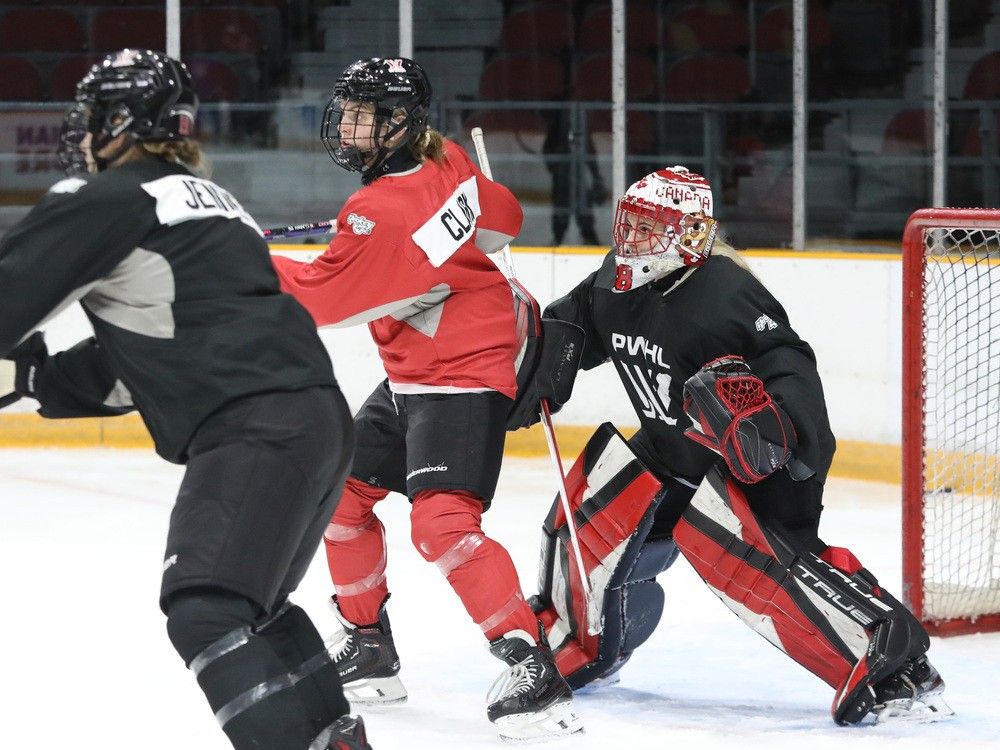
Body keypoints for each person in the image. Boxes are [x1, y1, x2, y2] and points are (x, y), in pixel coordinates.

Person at [0, 49, 371, 750]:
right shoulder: (215, 205)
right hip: (315, 418)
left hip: (258, 426)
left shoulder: (113, 198)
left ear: (120, 120)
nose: (79, 132)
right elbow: (155, 356)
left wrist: (21, 368)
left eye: (90, 116)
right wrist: (38, 381)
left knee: (209, 609)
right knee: (255, 611)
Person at [525, 166, 954, 725]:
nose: (630, 240)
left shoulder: (727, 294)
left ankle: (895, 663)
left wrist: (777, 442)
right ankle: (575, 642)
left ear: (694, 234)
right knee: (583, 523)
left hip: (742, 468)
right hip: (667, 452)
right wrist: (534, 359)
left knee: (761, 569)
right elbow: (572, 325)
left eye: (649, 227)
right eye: (628, 223)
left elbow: (791, 369)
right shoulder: (617, 281)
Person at [269, 57, 584, 743]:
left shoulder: (379, 207)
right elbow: (505, 216)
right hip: (420, 367)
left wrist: (237, 258)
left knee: (442, 525)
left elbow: (322, 299)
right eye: (347, 110)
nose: (346, 126)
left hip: (463, 371)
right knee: (343, 496)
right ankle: (369, 646)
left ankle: (533, 669)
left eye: (361, 114)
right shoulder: (443, 156)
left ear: (397, 122)